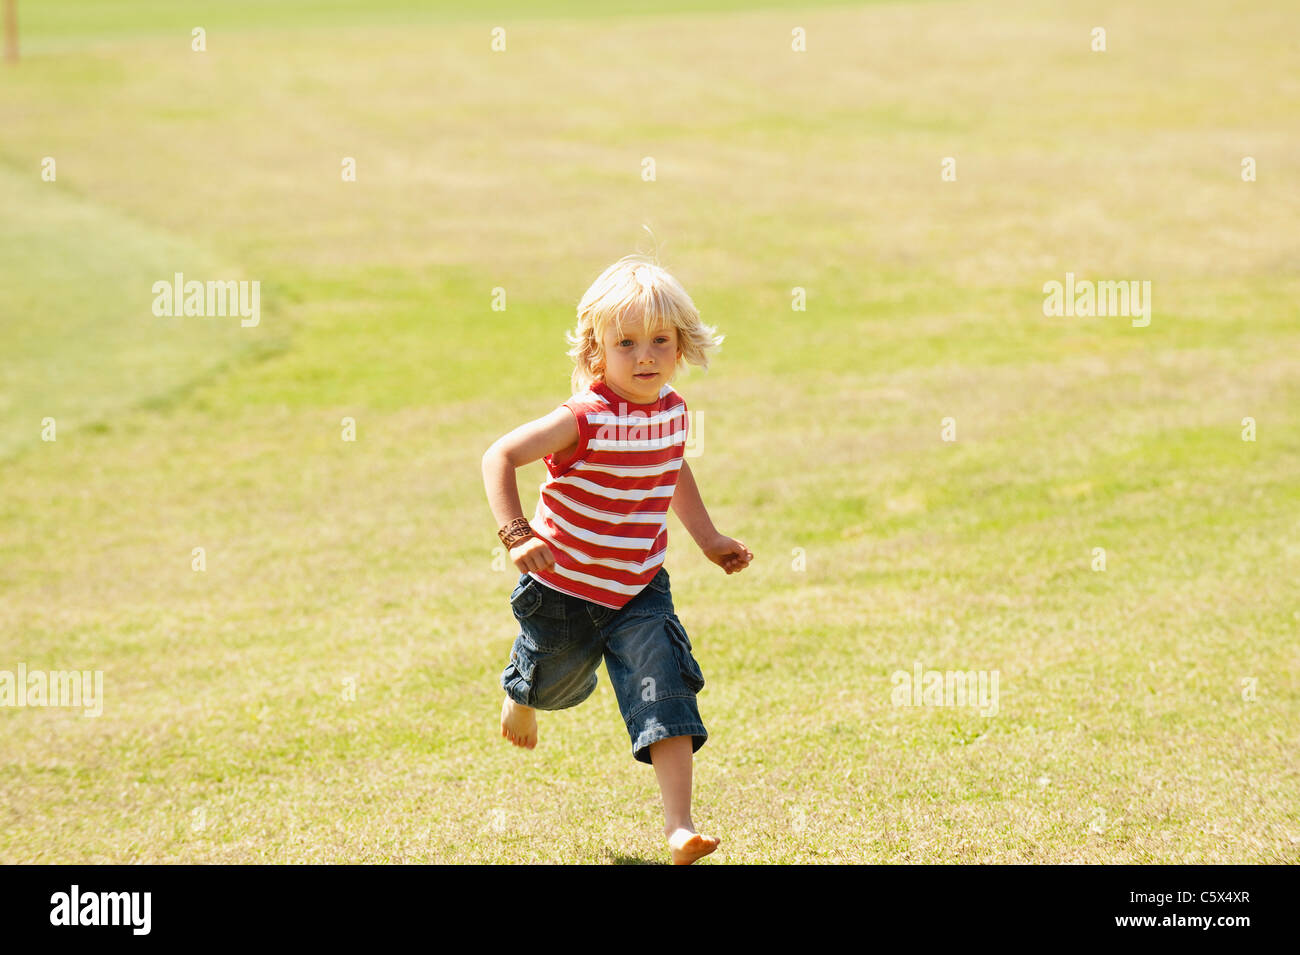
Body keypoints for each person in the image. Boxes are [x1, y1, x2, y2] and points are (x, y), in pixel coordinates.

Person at [481, 253, 752, 864]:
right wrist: (517, 534)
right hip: (563, 585)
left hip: (638, 587)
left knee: (668, 692)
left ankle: (679, 829)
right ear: (596, 349)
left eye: (660, 340)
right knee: (559, 683)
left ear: (681, 345)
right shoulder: (583, 417)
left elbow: (672, 467)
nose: (645, 356)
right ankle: (523, 687)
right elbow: (499, 455)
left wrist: (708, 539)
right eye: (625, 343)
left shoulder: (675, 412)